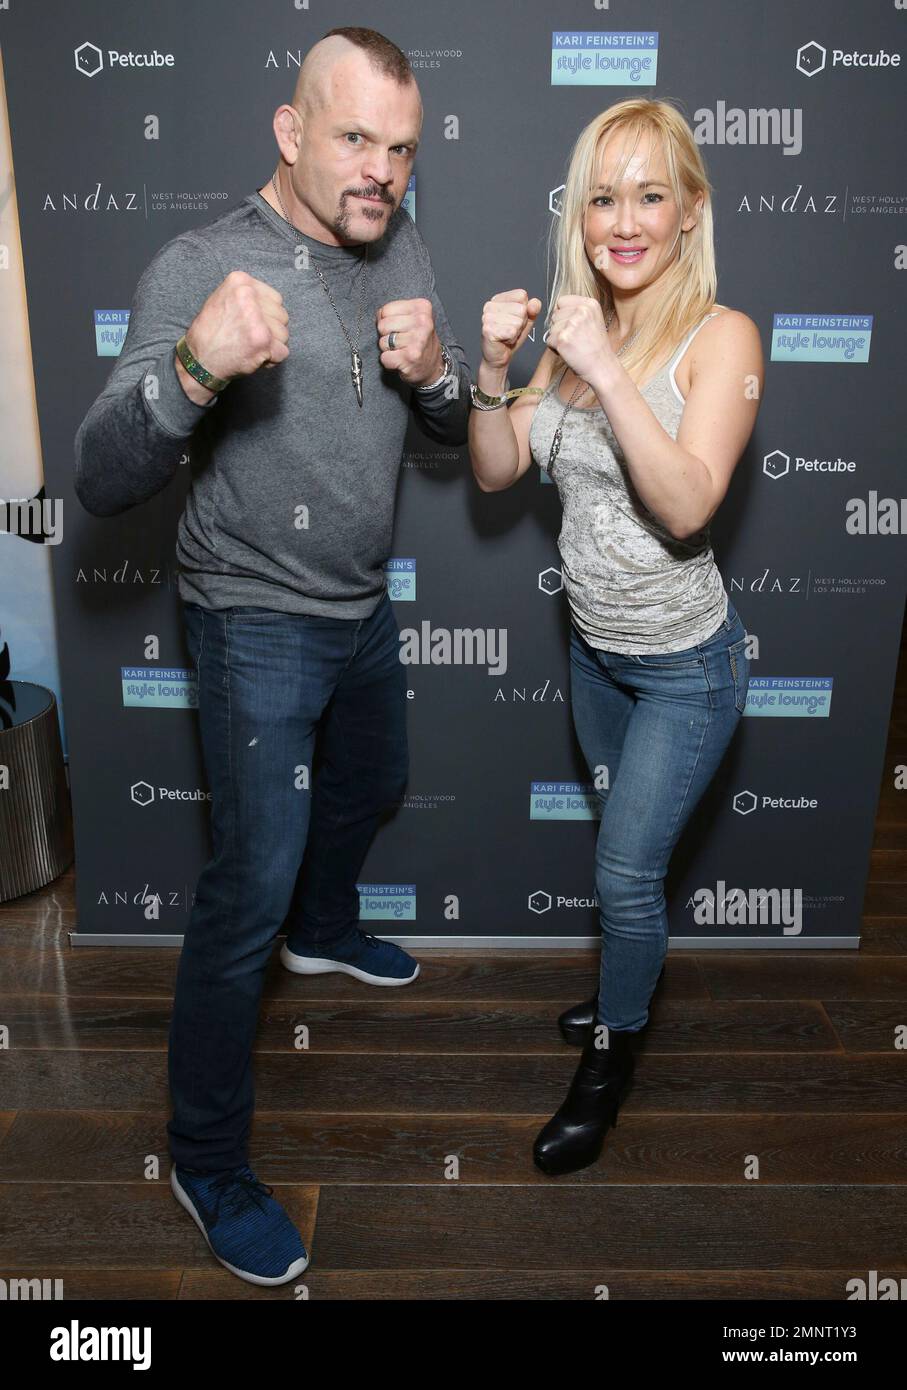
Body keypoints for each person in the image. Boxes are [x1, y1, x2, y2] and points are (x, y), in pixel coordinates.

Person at [74, 27, 471, 1284]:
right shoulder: (200, 264)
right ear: (289, 132)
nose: (381, 173)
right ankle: (205, 1160)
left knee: (370, 780)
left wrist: (443, 373)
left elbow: (453, 432)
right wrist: (196, 365)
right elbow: (97, 475)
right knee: (244, 887)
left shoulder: (393, 236)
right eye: (355, 139)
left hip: (359, 601)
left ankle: (327, 924)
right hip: (252, 617)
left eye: (401, 149)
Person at [468, 97, 763, 1177]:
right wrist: (498, 370)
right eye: (603, 196)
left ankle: (611, 1053)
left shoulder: (720, 335)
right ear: (579, 214)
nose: (623, 220)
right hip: (594, 652)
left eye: (649, 194)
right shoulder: (578, 320)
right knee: (622, 863)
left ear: (691, 210)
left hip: (688, 670)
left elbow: (687, 504)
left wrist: (602, 367)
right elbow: (498, 472)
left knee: (625, 874)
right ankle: (625, 985)